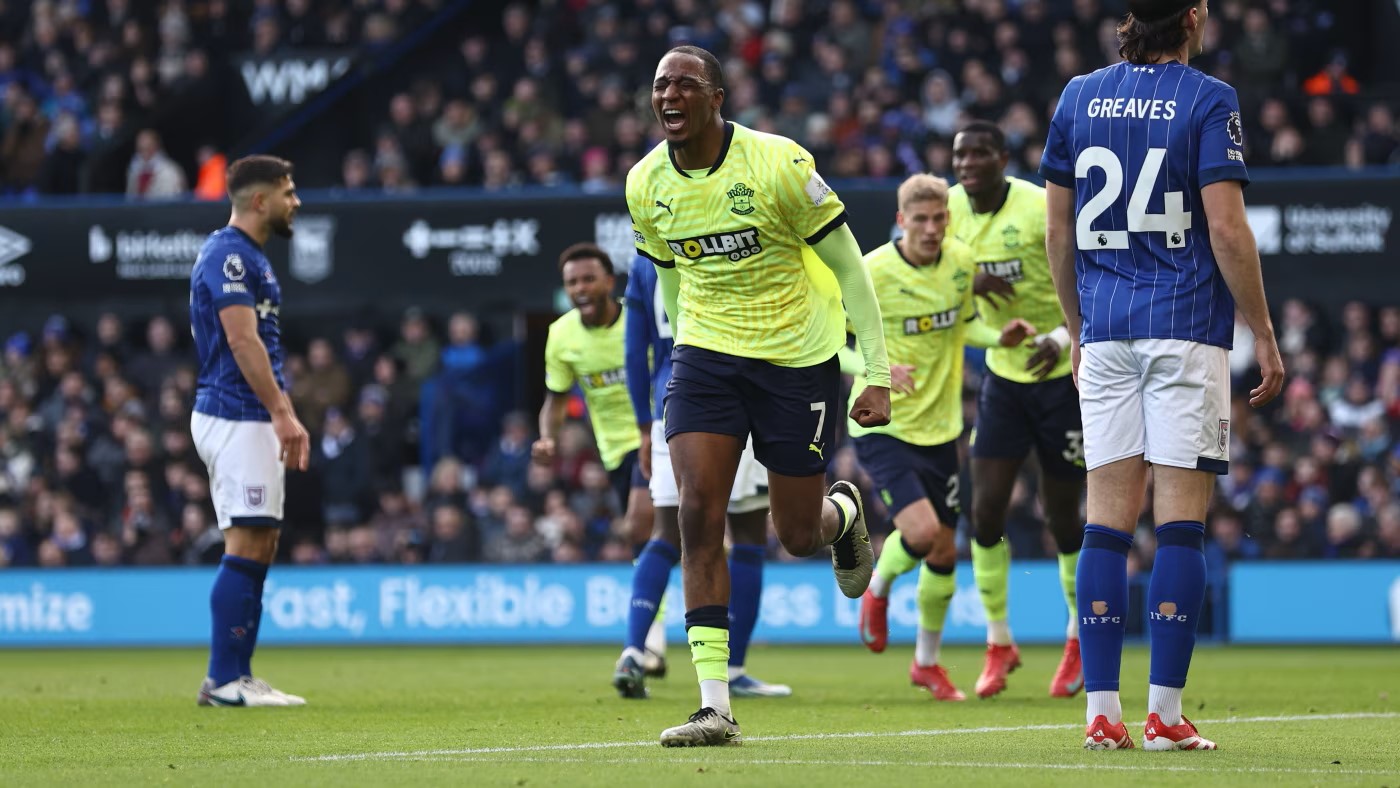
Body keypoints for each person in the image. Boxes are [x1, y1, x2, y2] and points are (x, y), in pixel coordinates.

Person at [626, 45, 892, 747]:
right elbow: (671, 280)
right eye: (660, 85)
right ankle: (715, 705)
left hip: (796, 361)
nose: (669, 95)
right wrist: (675, 355)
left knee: (796, 535)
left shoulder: (780, 164)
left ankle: (841, 514)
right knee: (697, 513)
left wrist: (876, 370)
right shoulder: (645, 183)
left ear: (718, 97)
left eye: (685, 84)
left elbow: (850, 269)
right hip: (706, 359)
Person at [1041, 0, 1284, 751]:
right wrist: (1264, 334)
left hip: (1107, 333)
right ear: (1193, 17)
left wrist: (1079, 329)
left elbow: (1057, 227)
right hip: (1182, 330)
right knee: (1180, 521)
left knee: (1104, 524)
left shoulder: (1078, 95)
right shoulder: (1210, 99)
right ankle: (1165, 714)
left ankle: (1101, 714)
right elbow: (1226, 228)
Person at [850, 174, 1033, 701]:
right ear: (902, 220)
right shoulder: (872, 271)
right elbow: (833, 343)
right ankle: (878, 587)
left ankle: (926, 663)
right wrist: (876, 373)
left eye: (939, 219)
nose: (932, 229)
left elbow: (963, 327)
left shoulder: (960, 262)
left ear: (948, 219)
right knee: (929, 532)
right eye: (921, 220)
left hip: (942, 429)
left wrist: (999, 336)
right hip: (882, 423)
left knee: (945, 554)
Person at [948, 120, 1087, 700]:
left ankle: (1081, 638)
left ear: (1004, 157)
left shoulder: (1038, 207)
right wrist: (965, 278)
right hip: (1003, 378)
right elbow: (929, 281)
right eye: (960, 154)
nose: (968, 162)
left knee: (1061, 518)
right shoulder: (947, 212)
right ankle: (998, 641)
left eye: (981, 152)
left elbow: (1090, 278)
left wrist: (1062, 336)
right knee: (983, 514)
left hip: (1062, 377)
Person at [613, 253, 791, 701]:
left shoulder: (643, 262)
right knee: (747, 534)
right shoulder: (723, 234)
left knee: (667, 532)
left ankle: (634, 649)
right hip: (736, 391)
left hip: (669, 402)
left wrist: (642, 422)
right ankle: (733, 668)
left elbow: (636, 349)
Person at [190, 155, 310, 707]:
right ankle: (224, 680)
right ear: (259, 201)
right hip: (237, 413)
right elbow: (242, 342)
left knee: (261, 538)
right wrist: (283, 412)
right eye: (288, 192)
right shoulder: (229, 255)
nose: (296, 201)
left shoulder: (251, 256)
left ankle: (236, 673)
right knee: (246, 539)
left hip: (250, 415)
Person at [531, 243, 649, 557]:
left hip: (661, 436)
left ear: (609, 282)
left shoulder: (641, 319)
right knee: (644, 539)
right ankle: (660, 605)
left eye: (588, 279)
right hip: (615, 450)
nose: (580, 289)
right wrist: (547, 439)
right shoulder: (560, 335)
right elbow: (556, 399)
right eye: (572, 282)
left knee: (641, 526)